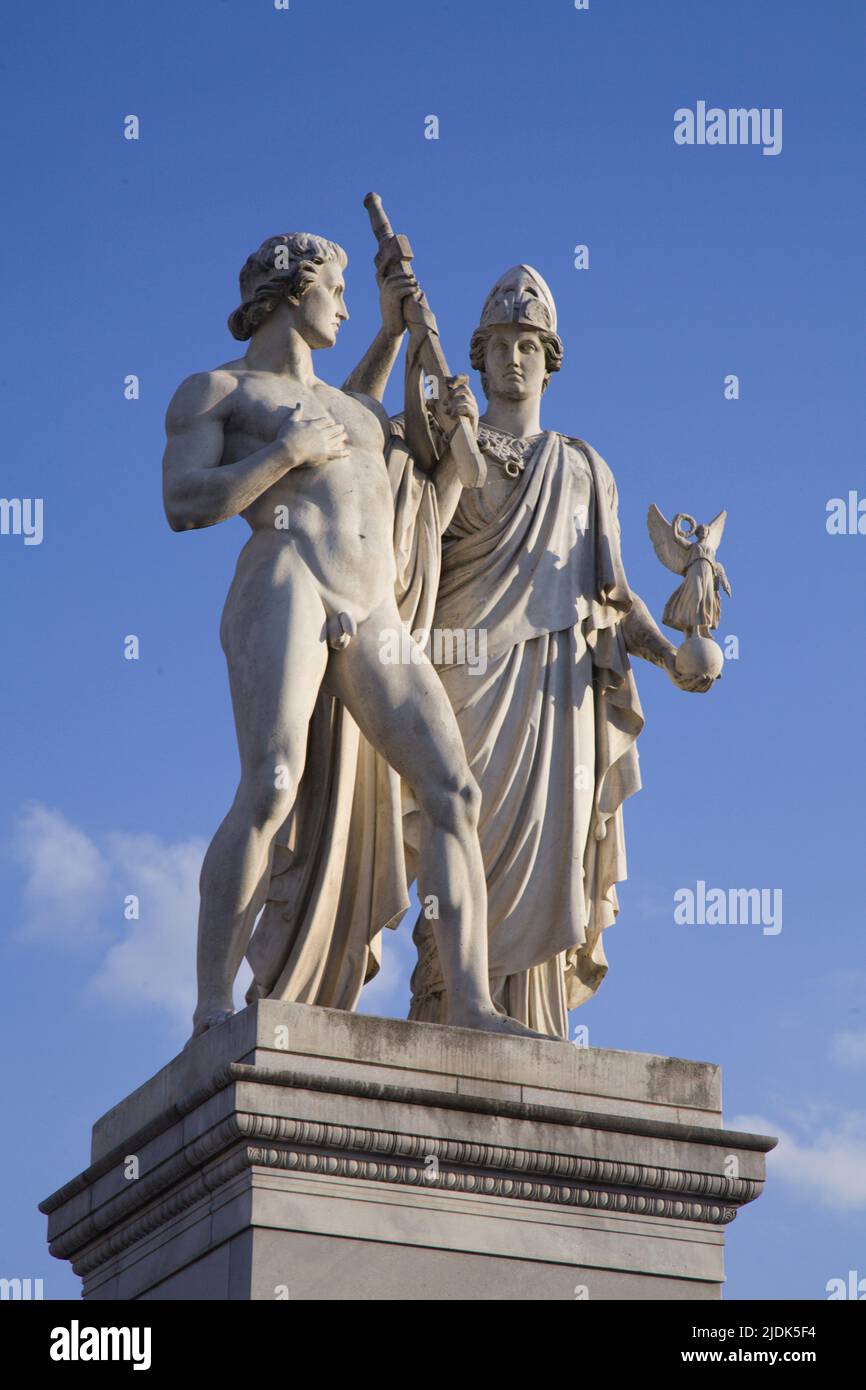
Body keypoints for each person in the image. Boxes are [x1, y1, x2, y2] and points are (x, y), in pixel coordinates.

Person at [162, 233, 542, 1041]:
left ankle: (472, 1002)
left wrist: (395, 331)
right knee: (270, 784)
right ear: (293, 291)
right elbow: (185, 502)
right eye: (333, 288)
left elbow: (384, 439)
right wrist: (283, 456)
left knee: (453, 791)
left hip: (375, 611)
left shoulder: (353, 408)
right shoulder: (219, 392)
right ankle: (211, 1009)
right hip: (287, 583)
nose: (342, 301)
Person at [407, 266, 711, 1037]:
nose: (514, 357)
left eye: (530, 345)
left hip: (556, 689)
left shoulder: (582, 467)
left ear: (551, 359)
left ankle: (533, 1023)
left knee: (550, 857)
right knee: (459, 830)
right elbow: (405, 560)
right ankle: (451, 1002)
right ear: (476, 356)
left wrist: (669, 659)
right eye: (501, 344)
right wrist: (440, 437)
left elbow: (616, 594)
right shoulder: (448, 447)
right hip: (461, 672)